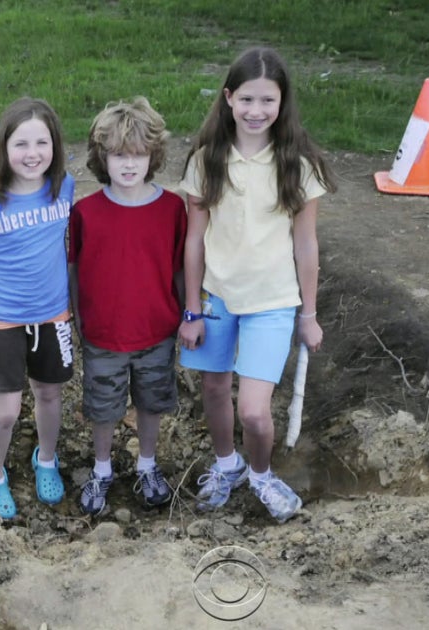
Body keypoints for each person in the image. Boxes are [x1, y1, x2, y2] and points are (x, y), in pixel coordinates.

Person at [178, 47, 337, 523]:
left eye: (268, 100)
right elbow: (194, 240)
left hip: (272, 301)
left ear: (282, 103)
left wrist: (308, 314)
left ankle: (262, 474)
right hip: (217, 298)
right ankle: (227, 464)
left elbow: (305, 244)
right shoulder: (207, 161)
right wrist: (191, 309)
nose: (256, 110)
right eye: (247, 99)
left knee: (252, 411)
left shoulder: (298, 164)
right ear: (229, 98)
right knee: (213, 388)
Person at [67, 97, 187, 516]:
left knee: (151, 402)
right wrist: (78, 320)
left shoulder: (172, 209)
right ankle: (101, 469)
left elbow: (179, 268)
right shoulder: (85, 212)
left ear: (154, 156)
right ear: (103, 157)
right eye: (119, 155)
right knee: (103, 407)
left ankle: (147, 465)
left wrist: (186, 314)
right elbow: (74, 269)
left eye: (138, 154)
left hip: (156, 330)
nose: (129, 164)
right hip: (104, 334)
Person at [0, 97, 76, 520]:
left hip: (52, 315)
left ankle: (46, 460)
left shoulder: (64, 187)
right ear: (3, 147)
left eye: (41, 143)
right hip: (0, 320)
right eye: (21, 144)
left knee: (49, 393)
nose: (32, 154)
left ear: (55, 145)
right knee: (6, 412)